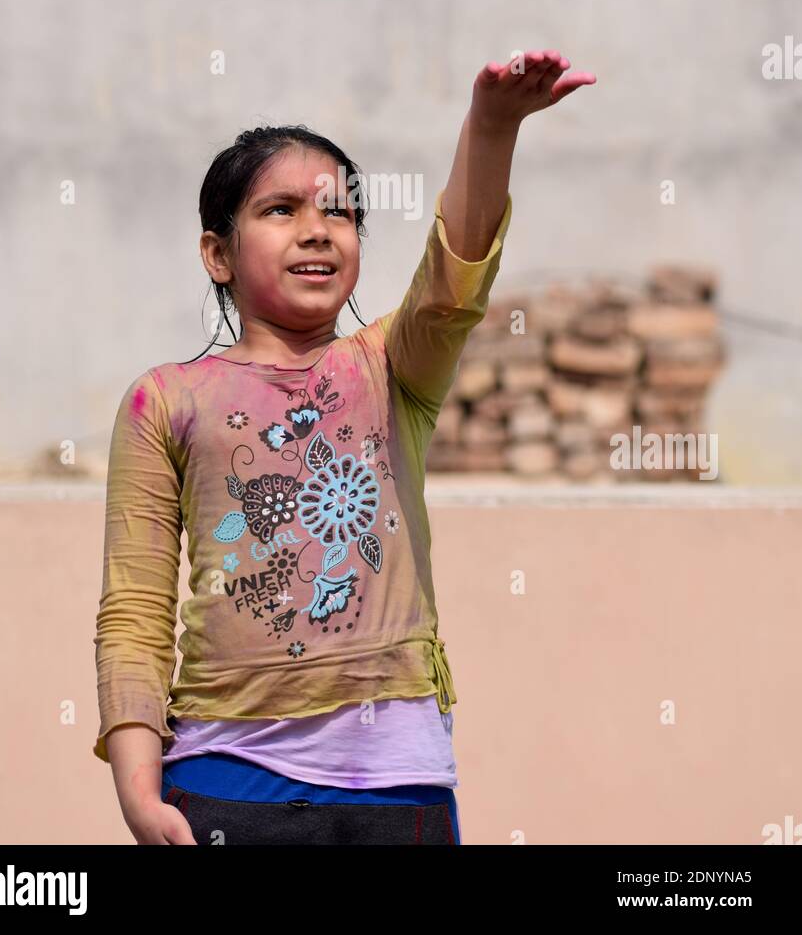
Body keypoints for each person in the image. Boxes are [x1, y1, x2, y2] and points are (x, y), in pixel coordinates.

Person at [93, 50, 596, 845]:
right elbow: (134, 611)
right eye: (281, 210)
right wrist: (138, 792)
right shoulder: (165, 400)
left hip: (399, 787)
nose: (317, 231)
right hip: (224, 781)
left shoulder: (393, 367)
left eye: (340, 212)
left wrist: (492, 127)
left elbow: (452, 280)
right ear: (217, 254)